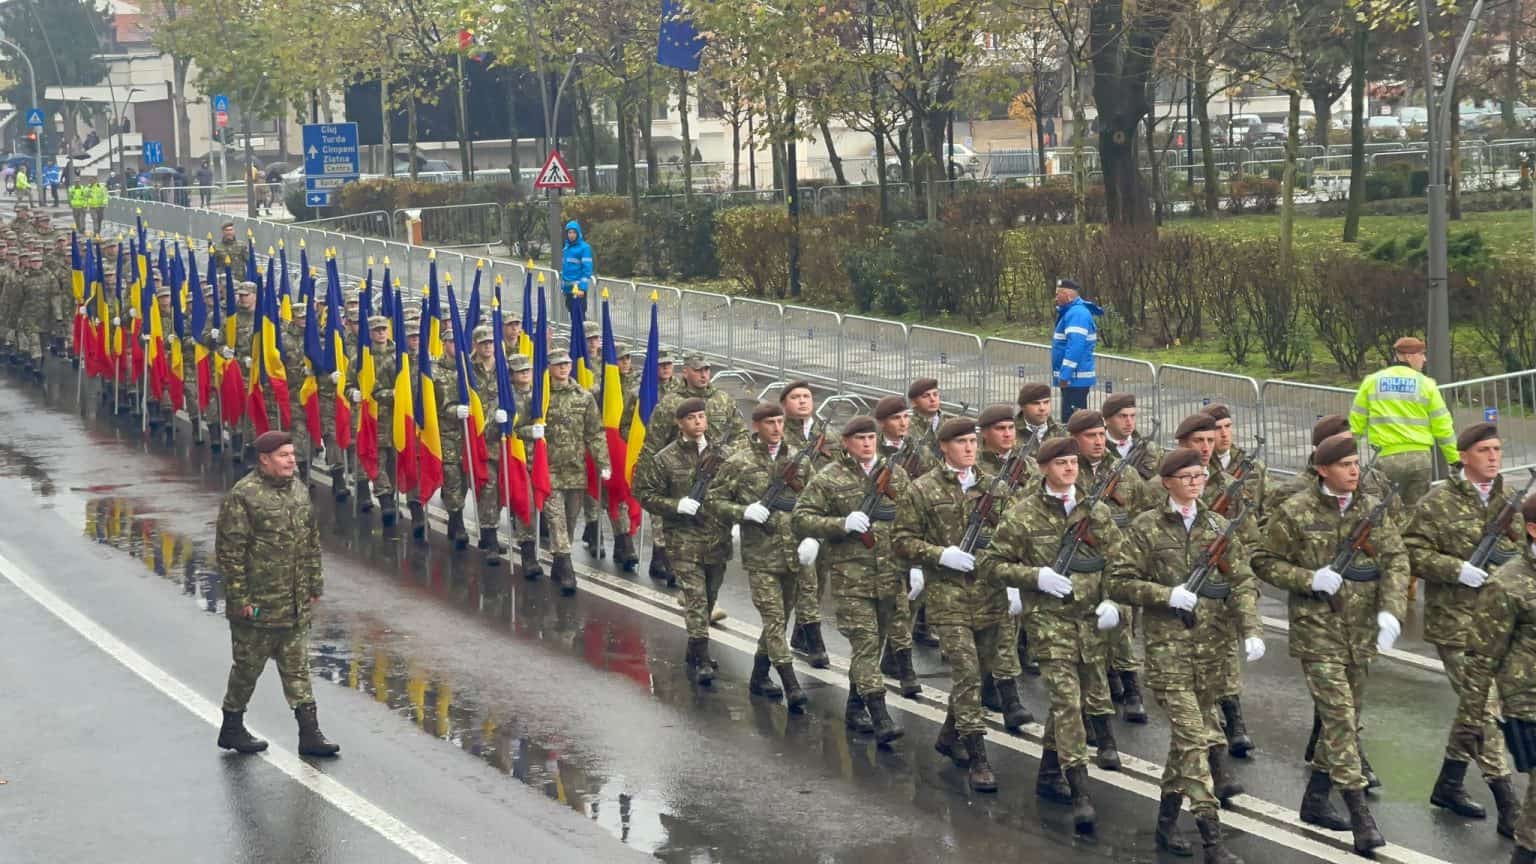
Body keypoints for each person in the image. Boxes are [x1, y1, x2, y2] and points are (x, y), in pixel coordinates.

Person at [1253, 433, 1405, 855]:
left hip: (1360, 633)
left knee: (1349, 717)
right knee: (1338, 718)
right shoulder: (1295, 511)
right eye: (1345, 465)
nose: (1355, 471)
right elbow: (1263, 560)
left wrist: (1391, 609)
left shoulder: (1373, 509)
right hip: (1317, 629)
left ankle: (1315, 799)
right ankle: (1361, 816)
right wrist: (1307, 579)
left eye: (1357, 464)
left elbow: (1395, 559)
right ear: (1322, 469)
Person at [1107, 447, 1260, 863]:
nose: (1196, 481)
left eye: (1201, 475)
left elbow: (1243, 582)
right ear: (1168, 482)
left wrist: (1251, 628)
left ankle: (1165, 823)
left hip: (1212, 655)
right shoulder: (1146, 528)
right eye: (1187, 476)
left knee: (1183, 748)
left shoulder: (1220, 527)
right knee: (1197, 740)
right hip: (1168, 656)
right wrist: (1164, 595)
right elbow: (1118, 581)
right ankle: (1212, 838)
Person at [978, 437, 1125, 833]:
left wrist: (1114, 602)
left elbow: (1121, 562)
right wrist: (1034, 577)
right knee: (1068, 702)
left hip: (1090, 623)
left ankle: (1047, 774)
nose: (1070, 468)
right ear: (1044, 468)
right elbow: (991, 564)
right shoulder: (1022, 515)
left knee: (1075, 702)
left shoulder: (1094, 511)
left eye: (1073, 462)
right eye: (1061, 463)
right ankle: (1080, 791)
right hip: (1048, 623)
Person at [1405, 421, 1522, 836]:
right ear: (1464, 457)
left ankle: (1449, 784)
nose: (1494, 457)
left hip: (1503, 626)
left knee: (1473, 710)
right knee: (1486, 711)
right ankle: (1509, 801)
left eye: (1497, 449)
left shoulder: (1511, 500)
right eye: (1485, 451)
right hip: (1456, 623)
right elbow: (1412, 551)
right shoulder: (1437, 503)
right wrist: (1456, 569)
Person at [894, 417, 1013, 792]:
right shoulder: (921, 489)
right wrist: (937, 554)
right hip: (947, 597)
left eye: (972, 442)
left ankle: (948, 736)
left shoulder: (995, 487)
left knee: (981, 673)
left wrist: (1015, 582)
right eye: (960, 442)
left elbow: (1011, 537)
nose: (969, 448)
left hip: (989, 595)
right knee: (966, 671)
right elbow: (901, 540)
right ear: (943, 446)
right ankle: (978, 757)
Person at [214, 430, 339, 758]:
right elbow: (230, 552)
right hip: (258, 606)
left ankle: (310, 733)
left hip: (294, 603)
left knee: (298, 668)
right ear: (265, 460)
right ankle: (232, 726)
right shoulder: (244, 496)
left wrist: (314, 585)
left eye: (292, 455)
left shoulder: (298, 490)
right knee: (247, 669)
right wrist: (241, 600)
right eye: (284, 456)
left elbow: (310, 541)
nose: (291, 460)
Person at [792, 415, 911, 745]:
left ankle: (854, 705)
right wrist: (840, 524)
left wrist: (915, 564)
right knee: (866, 643)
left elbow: (913, 519)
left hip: (890, 577)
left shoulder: (896, 474)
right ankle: (880, 713)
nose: (867, 443)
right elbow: (802, 518)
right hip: (851, 579)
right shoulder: (829, 478)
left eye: (871, 437)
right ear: (845, 443)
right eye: (859, 438)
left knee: (873, 648)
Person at [1449, 496, 1536, 864]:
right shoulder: (1507, 585)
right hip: (1527, 702)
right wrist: (1471, 720)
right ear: (1532, 529)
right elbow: (1482, 658)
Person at [709, 401, 809, 709]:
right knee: (775, 620)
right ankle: (791, 684)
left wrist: (814, 536)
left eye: (780, 422)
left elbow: (814, 499)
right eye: (770, 423)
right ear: (756, 426)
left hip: (794, 553)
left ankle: (758, 674)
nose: (777, 428)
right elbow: (714, 500)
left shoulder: (799, 459)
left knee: (783, 618)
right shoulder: (738, 462)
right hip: (761, 555)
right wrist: (743, 512)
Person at [635, 398, 734, 684]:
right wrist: (676, 505)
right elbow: (645, 494)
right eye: (691, 418)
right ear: (680, 423)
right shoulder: (665, 458)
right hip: (683, 538)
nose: (698, 422)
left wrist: (738, 517)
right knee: (695, 597)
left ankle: (693, 649)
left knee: (710, 595)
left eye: (701, 416)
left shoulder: (723, 454)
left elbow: (738, 488)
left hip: (717, 536)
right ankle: (702, 655)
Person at [1068, 409, 1152, 725]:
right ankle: (1100, 687)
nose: (1098, 441)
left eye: (1102, 435)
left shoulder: (1124, 473)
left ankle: (1132, 690)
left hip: (1118, 559)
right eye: (1090, 436)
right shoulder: (1068, 472)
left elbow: (1145, 515)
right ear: (1074, 439)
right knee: (1086, 633)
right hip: (1081, 565)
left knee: (1122, 625)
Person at [525, 348, 609, 594]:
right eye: (557, 364)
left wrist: (603, 463)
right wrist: (532, 432)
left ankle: (560, 563)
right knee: (556, 520)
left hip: (575, 470)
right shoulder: (538, 397)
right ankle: (567, 568)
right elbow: (518, 427)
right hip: (548, 469)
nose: (563, 368)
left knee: (571, 520)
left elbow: (595, 433)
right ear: (549, 367)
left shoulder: (584, 397)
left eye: (566, 364)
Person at [1350, 335, 1458, 507]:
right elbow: (1443, 427)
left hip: (1386, 458)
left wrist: (1348, 459)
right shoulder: (1427, 384)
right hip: (1420, 459)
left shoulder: (1371, 382)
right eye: (1421, 354)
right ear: (1408, 356)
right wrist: (1455, 460)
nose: (1425, 359)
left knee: (1384, 512)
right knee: (1414, 514)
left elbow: (1356, 425)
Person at [1051, 278, 1102, 422]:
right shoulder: (1073, 312)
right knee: (1072, 419)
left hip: (1075, 378)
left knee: (1073, 422)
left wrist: (1065, 374)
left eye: (1057, 294)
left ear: (1067, 295)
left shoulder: (1077, 314)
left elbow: (1075, 347)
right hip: (1074, 379)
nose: (1056, 298)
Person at [1103, 392, 1162, 481]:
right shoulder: (1097, 448)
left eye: (1133, 416)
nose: (1129, 422)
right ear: (1107, 420)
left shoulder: (1149, 449)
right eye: (1123, 416)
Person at [1016, 382, 1067, 456]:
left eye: (1046, 402)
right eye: (1036, 403)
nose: (1042, 408)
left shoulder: (1063, 433)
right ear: (1023, 406)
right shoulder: (1008, 432)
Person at [560, 220, 594, 318]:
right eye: (569, 232)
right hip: (568, 289)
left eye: (574, 232)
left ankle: (582, 333)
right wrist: (563, 287)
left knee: (580, 317)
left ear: (578, 233)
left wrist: (582, 288)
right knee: (572, 313)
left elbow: (587, 270)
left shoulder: (584, 248)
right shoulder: (566, 248)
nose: (571, 235)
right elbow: (566, 268)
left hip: (578, 290)